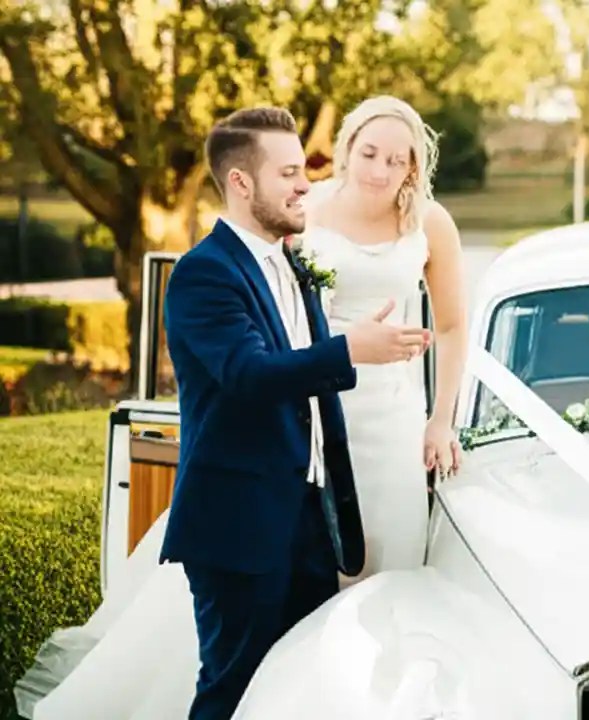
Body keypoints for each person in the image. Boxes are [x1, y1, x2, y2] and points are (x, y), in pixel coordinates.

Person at [24, 107, 432, 720]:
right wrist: (350, 350)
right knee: (232, 690)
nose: (304, 184)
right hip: (239, 530)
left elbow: (303, 386)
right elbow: (247, 376)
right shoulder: (202, 275)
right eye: (289, 172)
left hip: (306, 521)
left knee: (300, 691)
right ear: (241, 183)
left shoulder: (291, 263)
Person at [296, 94, 468, 578]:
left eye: (397, 161)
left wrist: (441, 420)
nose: (379, 171)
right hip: (316, 408)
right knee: (317, 559)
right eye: (369, 153)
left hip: (393, 419)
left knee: (391, 556)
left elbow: (453, 326)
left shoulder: (431, 222)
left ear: (413, 166)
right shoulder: (306, 209)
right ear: (347, 147)